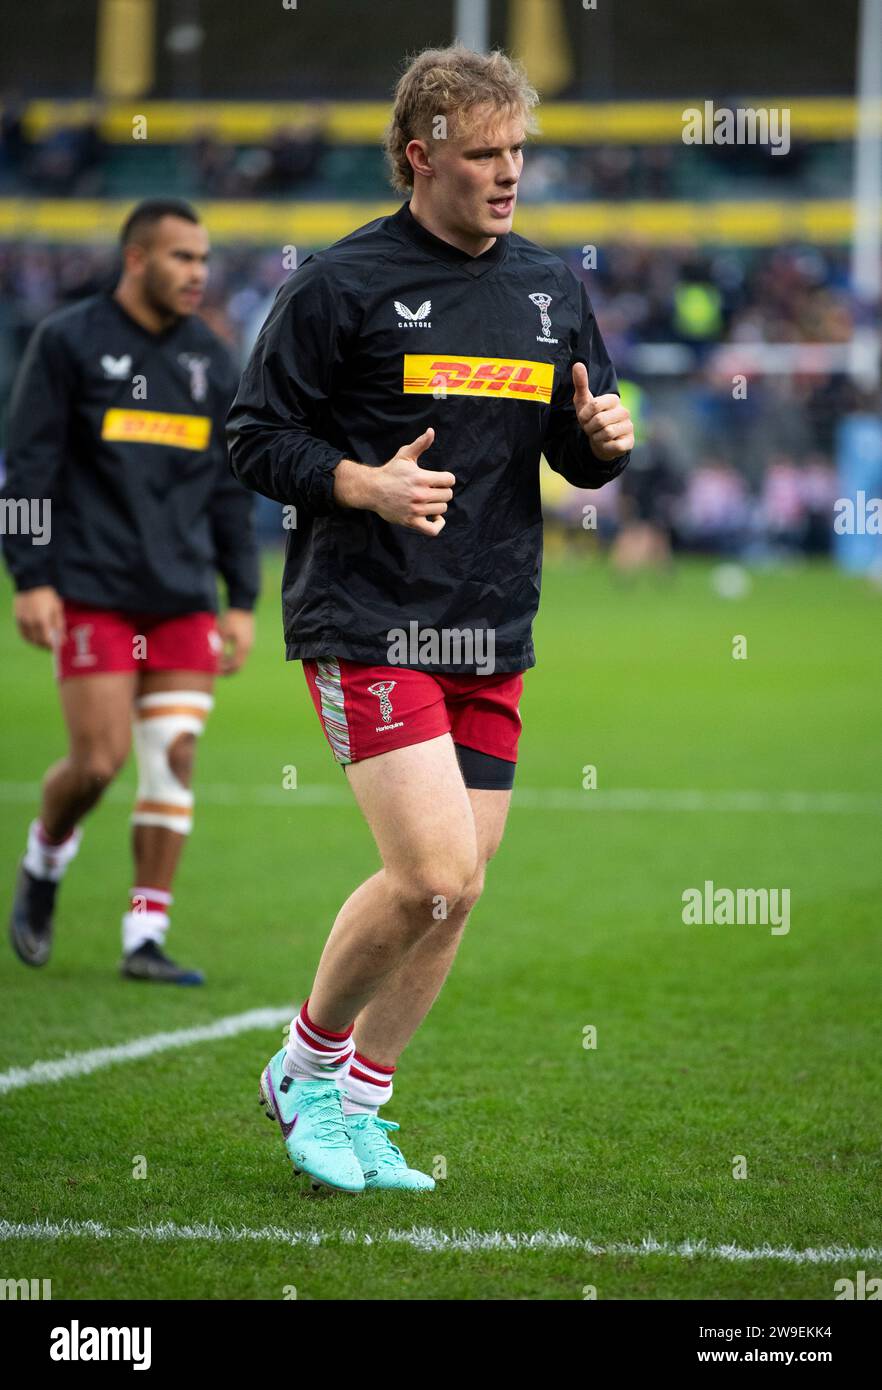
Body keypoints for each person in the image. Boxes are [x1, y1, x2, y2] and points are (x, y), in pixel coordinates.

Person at [228, 44, 633, 1192]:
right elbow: (254, 435)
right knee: (434, 873)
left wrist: (599, 451)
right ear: (421, 156)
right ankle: (306, 1067)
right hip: (369, 616)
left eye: (520, 153)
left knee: (462, 887)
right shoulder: (339, 285)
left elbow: (573, 438)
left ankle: (362, 1107)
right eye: (486, 154)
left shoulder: (551, 285)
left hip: (492, 625)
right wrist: (362, 482)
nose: (509, 175)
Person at [3, 198, 259, 983]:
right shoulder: (68, 342)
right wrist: (32, 577)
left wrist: (241, 598)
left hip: (182, 596)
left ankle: (144, 936)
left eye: (205, 260)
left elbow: (227, 487)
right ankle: (46, 860)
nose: (198, 274)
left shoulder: (211, 360)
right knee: (100, 761)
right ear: (138, 259)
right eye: (182, 258)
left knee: (173, 754)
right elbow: (28, 469)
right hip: (92, 589)